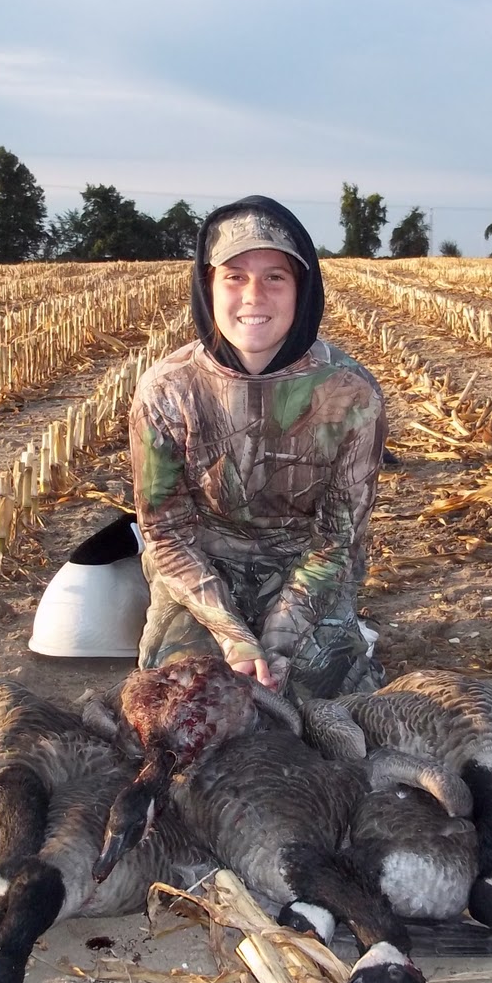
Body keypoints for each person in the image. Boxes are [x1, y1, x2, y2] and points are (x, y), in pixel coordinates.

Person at [128, 195, 387, 702]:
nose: (254, 295)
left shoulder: (350, 392)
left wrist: (281, 630)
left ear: (301, 290)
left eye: (275, 277)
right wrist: (233, 635)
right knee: (186, 700)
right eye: (235, 276)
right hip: (201, 568)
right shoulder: (166, 389)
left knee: (316, 694)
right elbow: (165, 533)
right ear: (207, 286)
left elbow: (340, 537)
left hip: (306, 567)